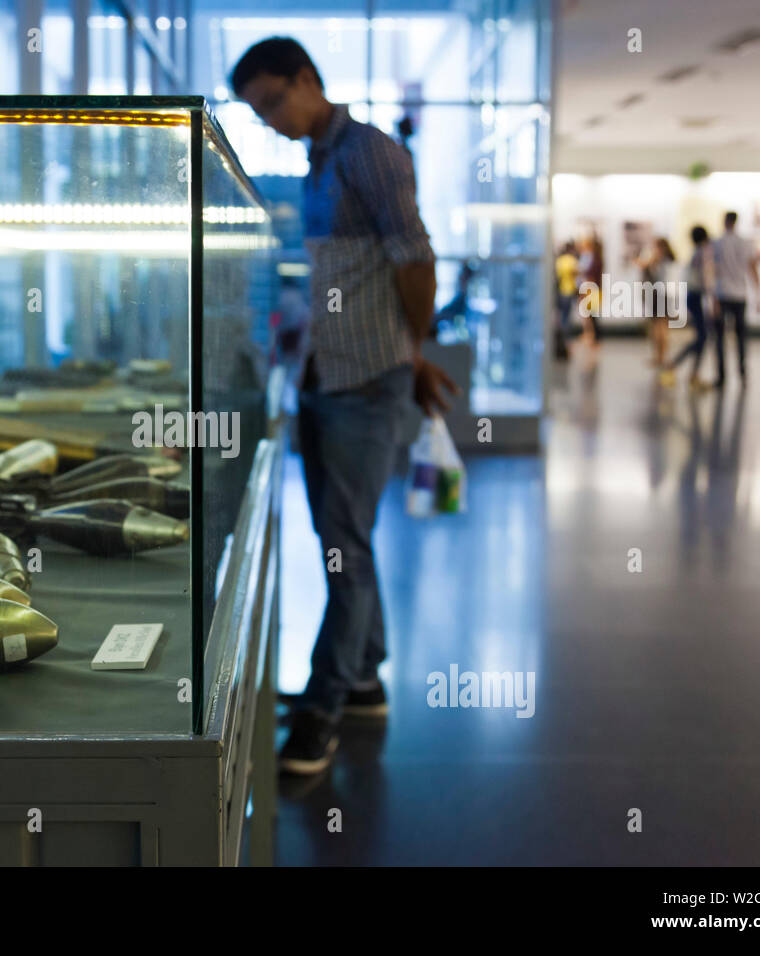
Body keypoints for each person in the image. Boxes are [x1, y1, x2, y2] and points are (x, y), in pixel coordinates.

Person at [231, 36, 456, 775]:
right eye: (256, 111)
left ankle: (323, 711)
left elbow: (415, 260)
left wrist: (410, 354)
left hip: (367, 382)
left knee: (345, 549)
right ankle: (362, 678)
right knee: (344, 541)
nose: (268, 119)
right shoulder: (319, 159)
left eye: (270, 102)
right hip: (327, 380)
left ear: (306, 79)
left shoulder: (370, 152)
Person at [712, 211, 760, 386]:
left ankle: (721, 375)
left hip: (722, 294)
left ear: (725, 222)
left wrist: (712, 297)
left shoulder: (717, 243)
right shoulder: (745, 243)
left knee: (720, 337)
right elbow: (753, 268)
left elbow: (713, 271)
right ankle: (742, 372)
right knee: (740, 336)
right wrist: (759, 293)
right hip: (740, 295)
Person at [666, 225, 716, 389]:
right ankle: (678, 365)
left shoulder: (696, 253)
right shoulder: (701, 254)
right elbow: (704, 277)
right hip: (696, 296)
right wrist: (712, 295)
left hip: (693, 295)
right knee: (702, 336)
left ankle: (691, 371)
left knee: (702, 337)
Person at [641, 237, 676, 377]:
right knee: (660, 327)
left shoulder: (663, 262)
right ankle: (659, 356)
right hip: (662, 295)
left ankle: (661, 357)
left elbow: (658, 278)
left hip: (660, 295)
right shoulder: (667, 261)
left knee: (659, 327)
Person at [577, 234, 604, 349]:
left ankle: (596, 337)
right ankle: (593, 336)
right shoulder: (596, 259)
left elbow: (590, 276)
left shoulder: (595, 261)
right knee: (590, 314)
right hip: (592, 289)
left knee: (593, 315)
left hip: (592, 290)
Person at [554, 240, 579, 359]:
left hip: (559, 292)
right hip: (568, 291)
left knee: (561, 318)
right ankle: (566, 342)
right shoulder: (572, 260)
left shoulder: (559, 261)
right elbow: (576, 275)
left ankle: (562, 340)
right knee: (567, 318)